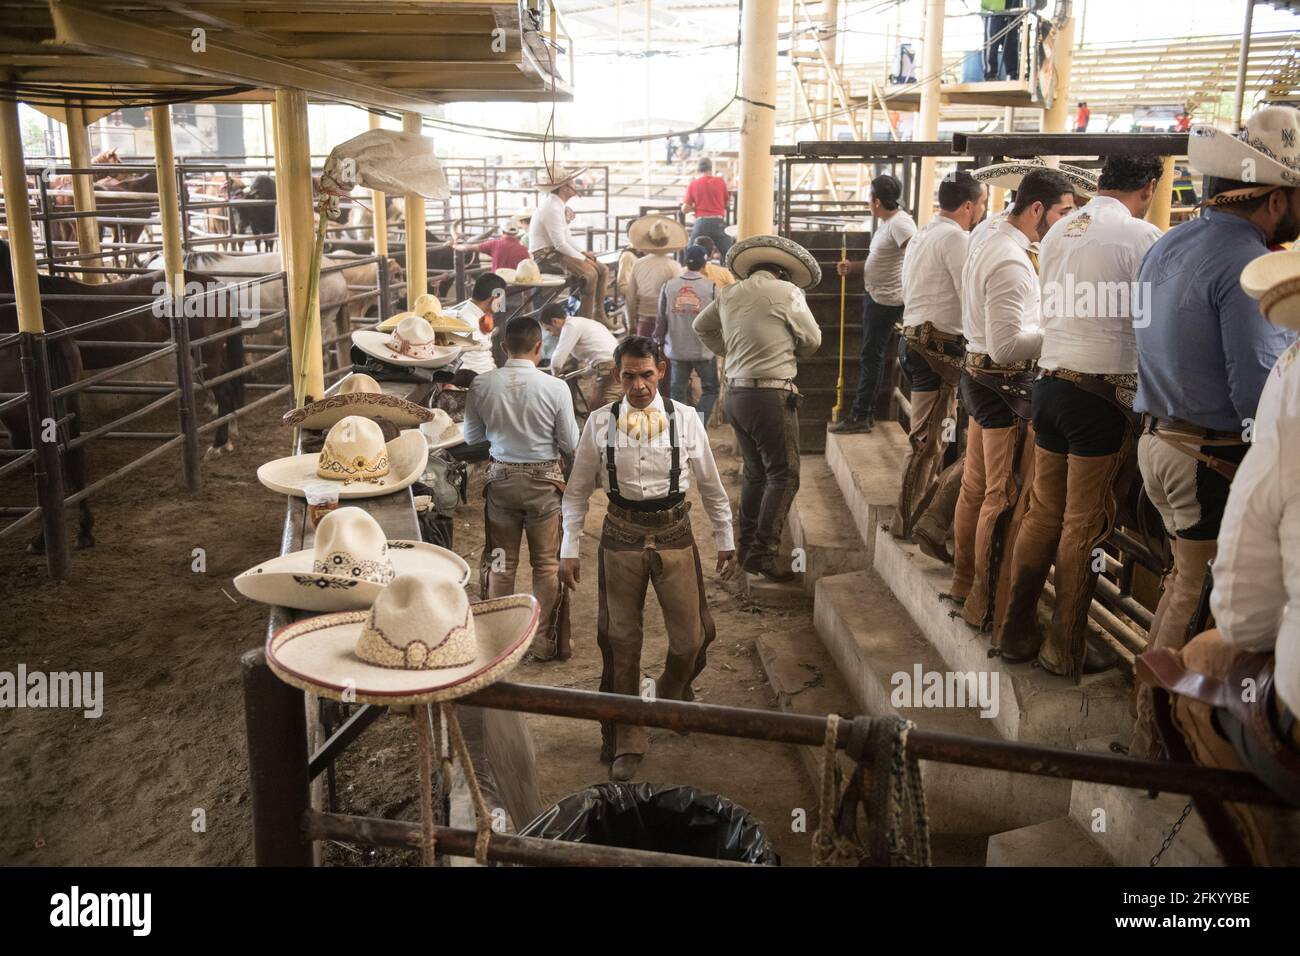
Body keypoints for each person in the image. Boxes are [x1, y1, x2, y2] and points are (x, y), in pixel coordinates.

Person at [1129, 106, 1300, 758]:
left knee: (1179, 581)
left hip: (1158, 437)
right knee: (1196, 594)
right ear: (1276, 197)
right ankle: (1157, 734)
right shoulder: (1244, 264)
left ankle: (1156, 721)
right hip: (1207, 455)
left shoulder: (1169, 242)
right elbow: (1256, 388)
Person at [992, 156, 1165, 680]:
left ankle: (1014, 630)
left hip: (1050, 387)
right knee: (1083, 524)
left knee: (1045, 511)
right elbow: (1152, 324)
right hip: (1101, 397)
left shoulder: (1061, 228)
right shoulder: (1144, 236)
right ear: (1150, 187)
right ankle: (1063, 647)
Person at [559, 336, 736, 781]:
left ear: (661, 370)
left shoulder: (688, 420)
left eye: (646, 374)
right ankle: (628, 736)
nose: (638, 385)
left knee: (692, 639)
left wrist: (725, 538)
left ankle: (665, 695)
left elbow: (712, 488)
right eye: (629, 376)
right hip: (620, 535)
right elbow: (577, 492)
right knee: (621, 642)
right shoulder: (600, 424)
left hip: (675, 532)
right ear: (618, 375)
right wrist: (568, 548)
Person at [950, 168, 1076, 630]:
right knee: (999, 497)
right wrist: (1058, 331)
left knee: (977, 487)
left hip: (978, 377)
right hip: (1000, 384)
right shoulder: (1011, 262)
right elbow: (1006, 347)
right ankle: (985, 602)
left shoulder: (989, 235)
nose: (1068, 222)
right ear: (1038, 209)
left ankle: (965, 582)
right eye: (1064, 212)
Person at [693, 235, 823, 581]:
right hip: (771, 396)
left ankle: (746, 545)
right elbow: (813, 340)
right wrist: (788, 347)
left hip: (735, 394)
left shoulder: (730, 293)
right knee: (784, 474)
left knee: (755, 473)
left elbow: (700, 326)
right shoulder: (788, 293)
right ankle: (763, 554)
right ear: (783, 273)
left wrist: (730, 350)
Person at [465, 316, 580, 662]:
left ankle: (500, 642)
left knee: (501, 562)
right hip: (544, 485)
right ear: (539, 347)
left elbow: (472, 438)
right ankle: (542, 642)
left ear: (503, 349)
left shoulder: (482, 384)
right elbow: (570, 442)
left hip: (500, 482)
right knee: (546, 564)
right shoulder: (555, 387)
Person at [892, 172, 987, 544]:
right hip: (937, 349)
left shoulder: (924, 234)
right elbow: (971, 295)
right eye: (980, 204)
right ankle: (909, 520)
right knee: (929, 440)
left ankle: (911, 515)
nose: (980, 211)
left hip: (915, 340)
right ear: (968, 206)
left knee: (929, 437)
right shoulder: (955, 239)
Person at [830, 174, 918, 434]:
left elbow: (915, 254)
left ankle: (861, 415)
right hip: (879, 296)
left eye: (869, 197)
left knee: (872, 357)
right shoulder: (889, 222)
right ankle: (863, 414)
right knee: (871, 357)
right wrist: (854, 267)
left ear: (876, 200)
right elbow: (881, 260)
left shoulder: (901, 224)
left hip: (887, 301)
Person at [528, 164, 609, 320]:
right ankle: (586, 320)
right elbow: (560, 243)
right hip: (545, 256)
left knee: (602, 269)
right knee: (590, 273)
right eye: (571, 183)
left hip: (554, 252)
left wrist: (583, 253)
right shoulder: (552, 207)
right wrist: (583, 258)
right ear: (564, 188)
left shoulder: (556, 204)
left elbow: (566, 237)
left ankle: (599, 313)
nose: (575, 185)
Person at [656, 244, 719, 427]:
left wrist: (659, 341)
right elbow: (719, 319)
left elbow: (661, 320)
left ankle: (679, 432)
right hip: (703, 350)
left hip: (676, 349)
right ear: (704, 264)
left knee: (677, 392)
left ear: (684, 262)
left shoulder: (669, 286)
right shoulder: (712, 288)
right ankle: (696, 427)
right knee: (711, 389)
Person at [542, 301, 621, 411]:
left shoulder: (570, 326)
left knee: (599, 411)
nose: (551, 334)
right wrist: (586, 372)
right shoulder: (580, 322)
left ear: (555, 321)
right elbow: (599, 352)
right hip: (613, 363)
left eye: (549, 329)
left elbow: (557, 360)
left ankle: (611, 427)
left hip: (610, 367)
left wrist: (553, 379)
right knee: (602, 409)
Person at [624, 215, 685, 338]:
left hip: (644, 319)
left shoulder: (638, 264)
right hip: (666, 320)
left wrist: (631, 324)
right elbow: (677, 298)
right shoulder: (674, 266)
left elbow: (630, 297)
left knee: (643, 354)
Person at [682, 157, 733, 258]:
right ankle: (727, 272)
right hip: (718, 222)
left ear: (698, 169)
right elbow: (727, 203)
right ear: (711, 168)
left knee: (690, 253)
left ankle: (691, 271)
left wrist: (695, 208)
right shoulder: (720, 182)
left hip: (701, 222)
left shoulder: (693, 184)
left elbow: (685, 209)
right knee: (729, 254)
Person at [982, 0, 1021, 81]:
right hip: (993, 9)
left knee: (1011, 44)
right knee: (992, 43)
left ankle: (1012, 75)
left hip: (1012, 9)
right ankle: (990, 74)